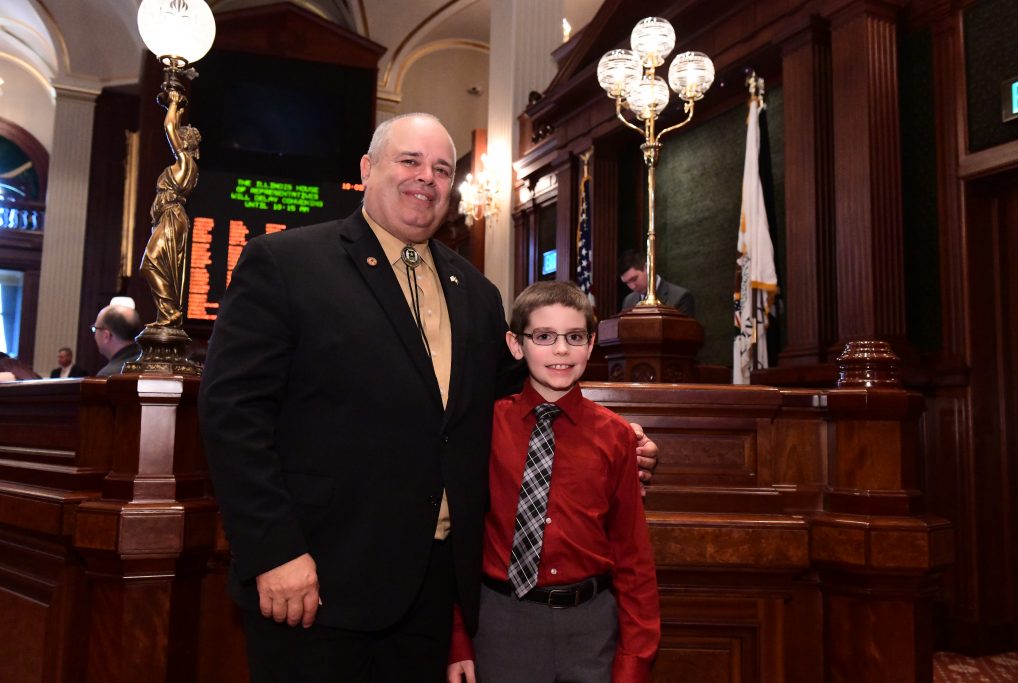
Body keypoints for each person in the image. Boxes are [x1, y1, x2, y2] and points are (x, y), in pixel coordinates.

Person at [198, 113, 657, 682]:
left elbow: (520, 398)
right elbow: (232, 414)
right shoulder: (287, 263)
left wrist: (614, 433)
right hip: (315, 582)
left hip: (433, 595)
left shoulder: (477, 293)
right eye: (409, 161)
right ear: (367, 170)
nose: (427, 178)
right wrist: (273, 551)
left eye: (442, 169)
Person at [447, 282, 659, 683]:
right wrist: (457, 638)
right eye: (543, 337)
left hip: (592, 626)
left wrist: (634, 662)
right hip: (501, 622)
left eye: (574, 337)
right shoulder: (482, 426)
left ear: (591, 344)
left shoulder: (615, 436)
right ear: (515, 344)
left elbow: (633, 556)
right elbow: (455, 540)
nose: (561, 350)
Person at [139, 87, 201, 328]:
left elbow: (168, 128)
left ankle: (170, 312)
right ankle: (168, 313)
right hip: (169, 217)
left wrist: (173, 104)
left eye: (181, 134)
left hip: (172, 217)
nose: (177, 135)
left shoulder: (186, 160)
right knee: (166, 268)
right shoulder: (187, 163)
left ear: (186, 142)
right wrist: (178, 110)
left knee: (151, 263)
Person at [619, 248, 695, 317]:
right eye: (627, 283)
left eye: (634, 279)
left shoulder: (680, 297)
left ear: (648, 267)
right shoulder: (628, 301)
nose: (632, 286)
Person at [91, 304, 143, 376]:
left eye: (95, 329)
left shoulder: (108, 376)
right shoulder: (155, 364)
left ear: (106, 336)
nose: (94, 335)